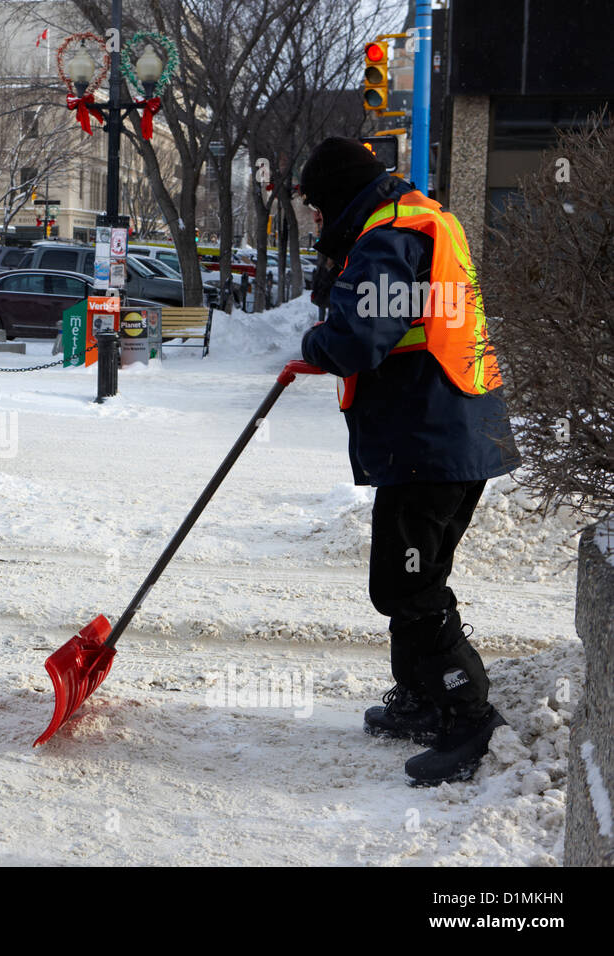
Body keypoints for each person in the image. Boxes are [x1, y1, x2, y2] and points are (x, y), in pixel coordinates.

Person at [298, 137, 521, 787]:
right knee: (414, 574)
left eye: (315, 207)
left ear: (336, 196)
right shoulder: (421, 217)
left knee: (406, 583)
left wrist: (318, 342)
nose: (314, 220)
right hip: (452, 434)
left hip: (432, 441)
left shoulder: (388, 237)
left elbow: (363, 335)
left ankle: (468, 717)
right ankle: (421, 697)